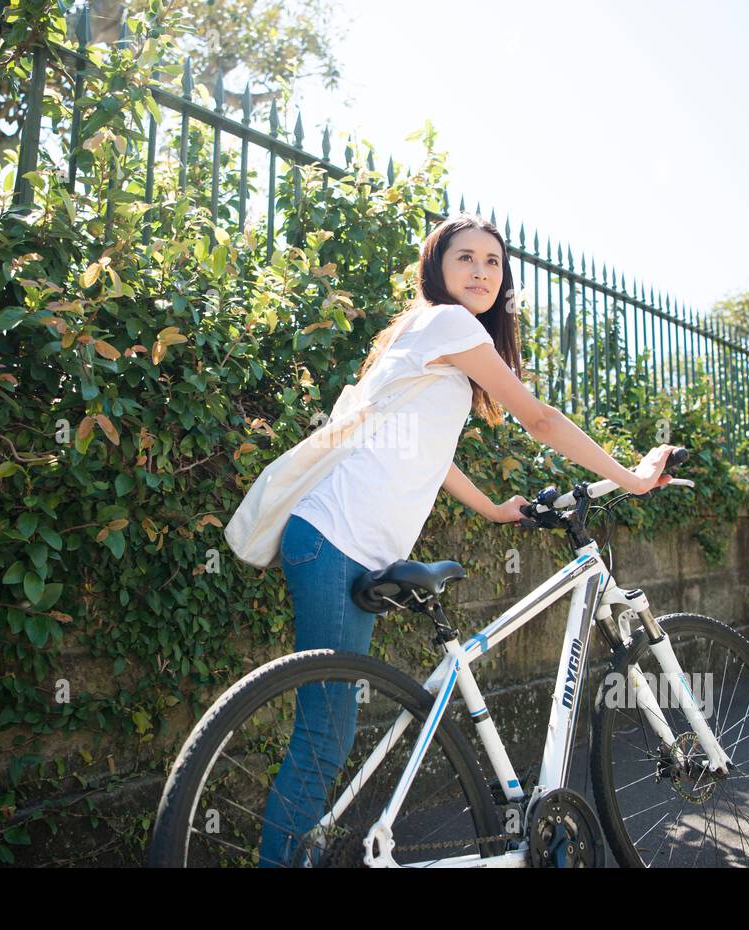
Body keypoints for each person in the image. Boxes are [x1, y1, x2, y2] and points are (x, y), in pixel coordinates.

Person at [257, 212, 677, 866]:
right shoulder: (447, 322)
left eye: (493, 261)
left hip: (338, 544)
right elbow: (538, 417)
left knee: (328, 729)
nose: (482, 271)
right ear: (438, 268)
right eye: (466, 258)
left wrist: (491, 508)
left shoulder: (424, 336)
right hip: (338, 538)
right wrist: (632, 476)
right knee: (323, 735)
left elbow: (426, 452)